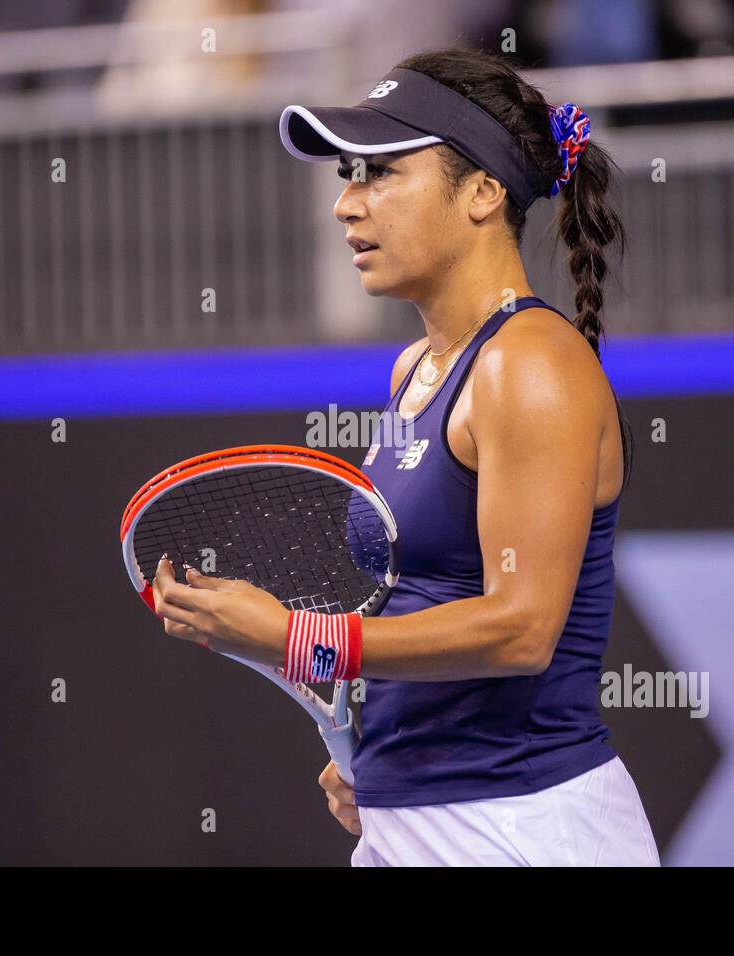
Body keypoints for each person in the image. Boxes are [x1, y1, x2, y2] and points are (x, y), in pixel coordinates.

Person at [150, 46, 659, 866]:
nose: (347, 207)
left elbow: (522, 629)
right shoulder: (415, 372)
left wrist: (296, 634)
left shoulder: (528, 365)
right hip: (417, 819)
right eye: (349, 178)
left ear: (485, 193)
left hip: (524, 830)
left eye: (381, 174)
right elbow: (424, 599)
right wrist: (385, 751)